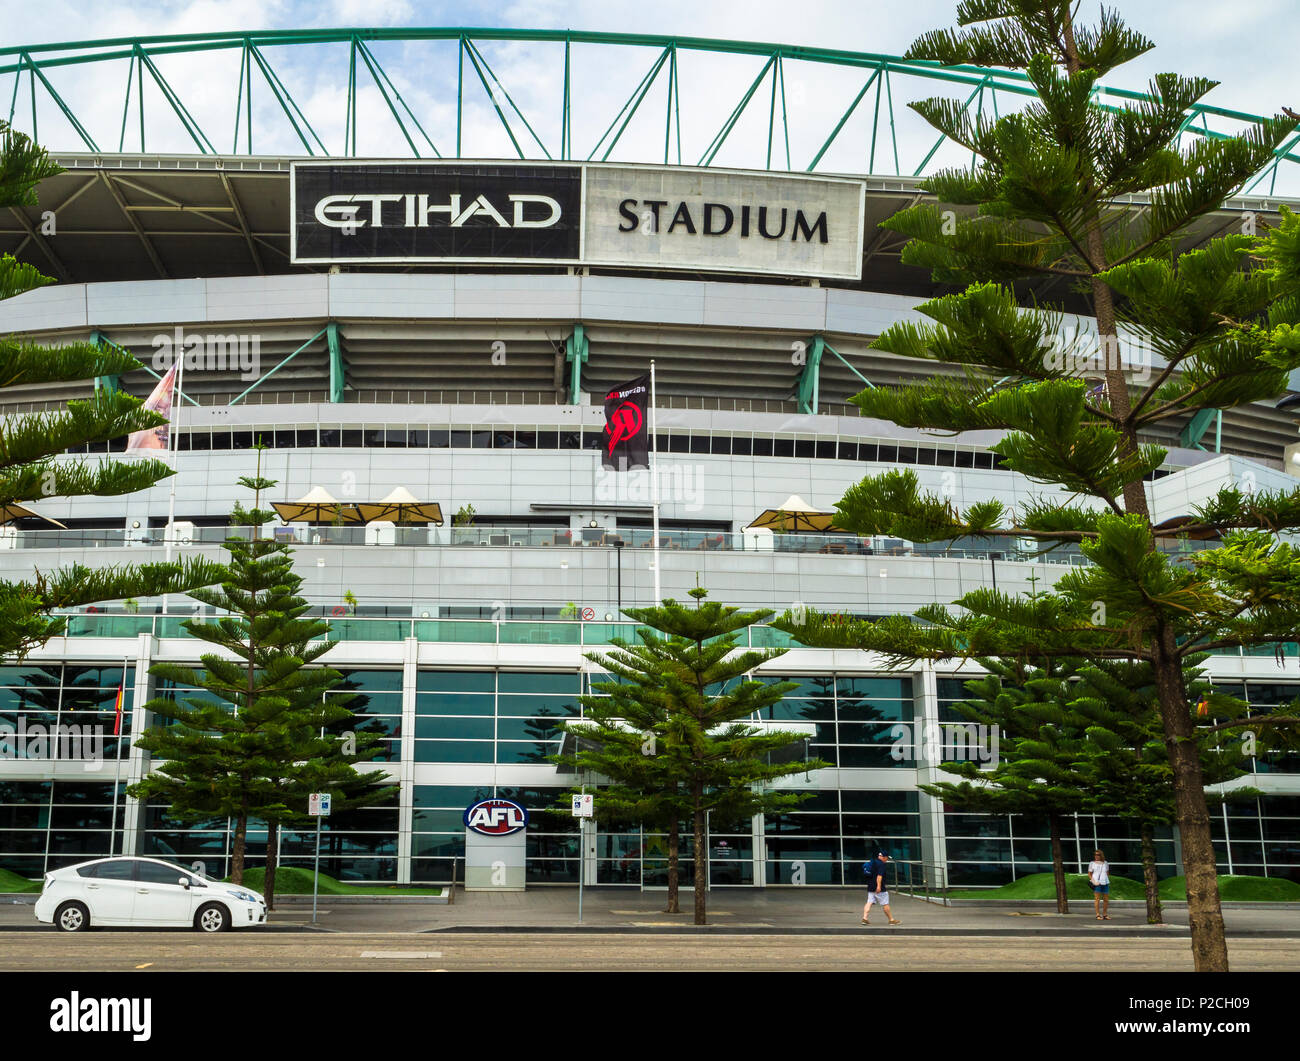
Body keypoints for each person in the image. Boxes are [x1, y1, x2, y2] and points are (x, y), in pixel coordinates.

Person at [861, 849, 900, 925]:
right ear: (884, 857)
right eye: (887, 858)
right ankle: (891, 920)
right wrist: (879, 886)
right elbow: (879, 876)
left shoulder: (873, 862)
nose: (887, 859)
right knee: (885, 903)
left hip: (871, 886)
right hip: (879, 887)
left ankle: (864, 918)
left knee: (869, 902)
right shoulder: (881, 864)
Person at [1088, 848, 1111, 921]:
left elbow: (1107, 873)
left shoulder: (1105, 863)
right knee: (1097, 899)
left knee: (1106, 900)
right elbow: (1089, 874)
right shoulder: (1092, 863)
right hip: (1097, 883)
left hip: (1105, 882)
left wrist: (1105, 879)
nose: (1096, 856)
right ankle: (1097, 915)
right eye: (1095, 855)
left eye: (1098, 855)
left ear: (1101, 855)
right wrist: (1094, 882)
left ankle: (1104, 914)